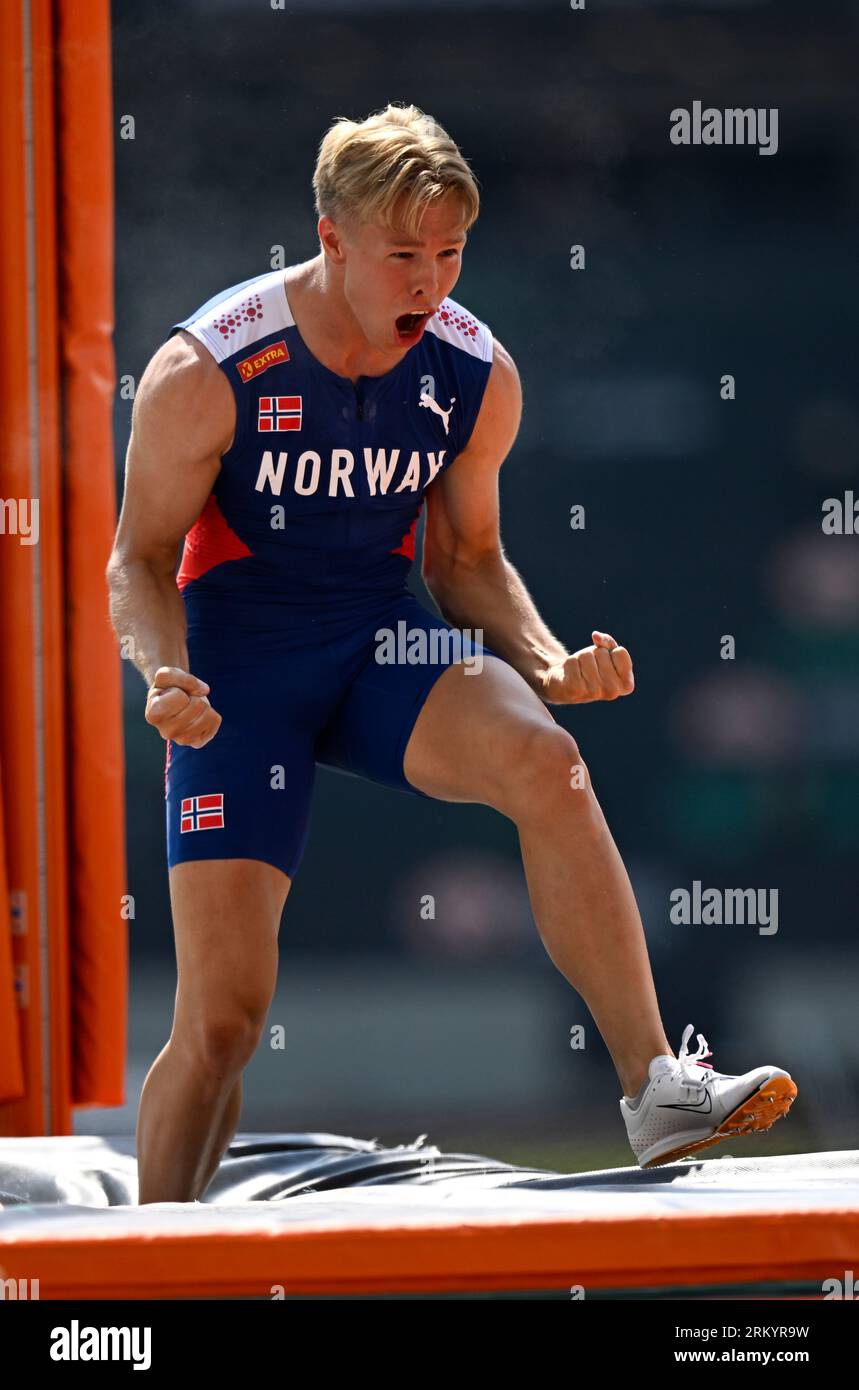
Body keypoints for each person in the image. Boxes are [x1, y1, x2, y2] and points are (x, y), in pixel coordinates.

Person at [106, 103, 796, 1202]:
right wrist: (164, 677)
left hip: (378, 637)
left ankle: (655, 1084)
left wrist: (545, 655)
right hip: (238, 676)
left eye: (450, 253)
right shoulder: (208, 367)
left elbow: (468, 557)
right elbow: (136, 560)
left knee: (546, 757)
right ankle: (143, 1275)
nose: (430, 285)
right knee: (225, 1023)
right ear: (330, 243)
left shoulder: (475, 371)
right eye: (403, 258)